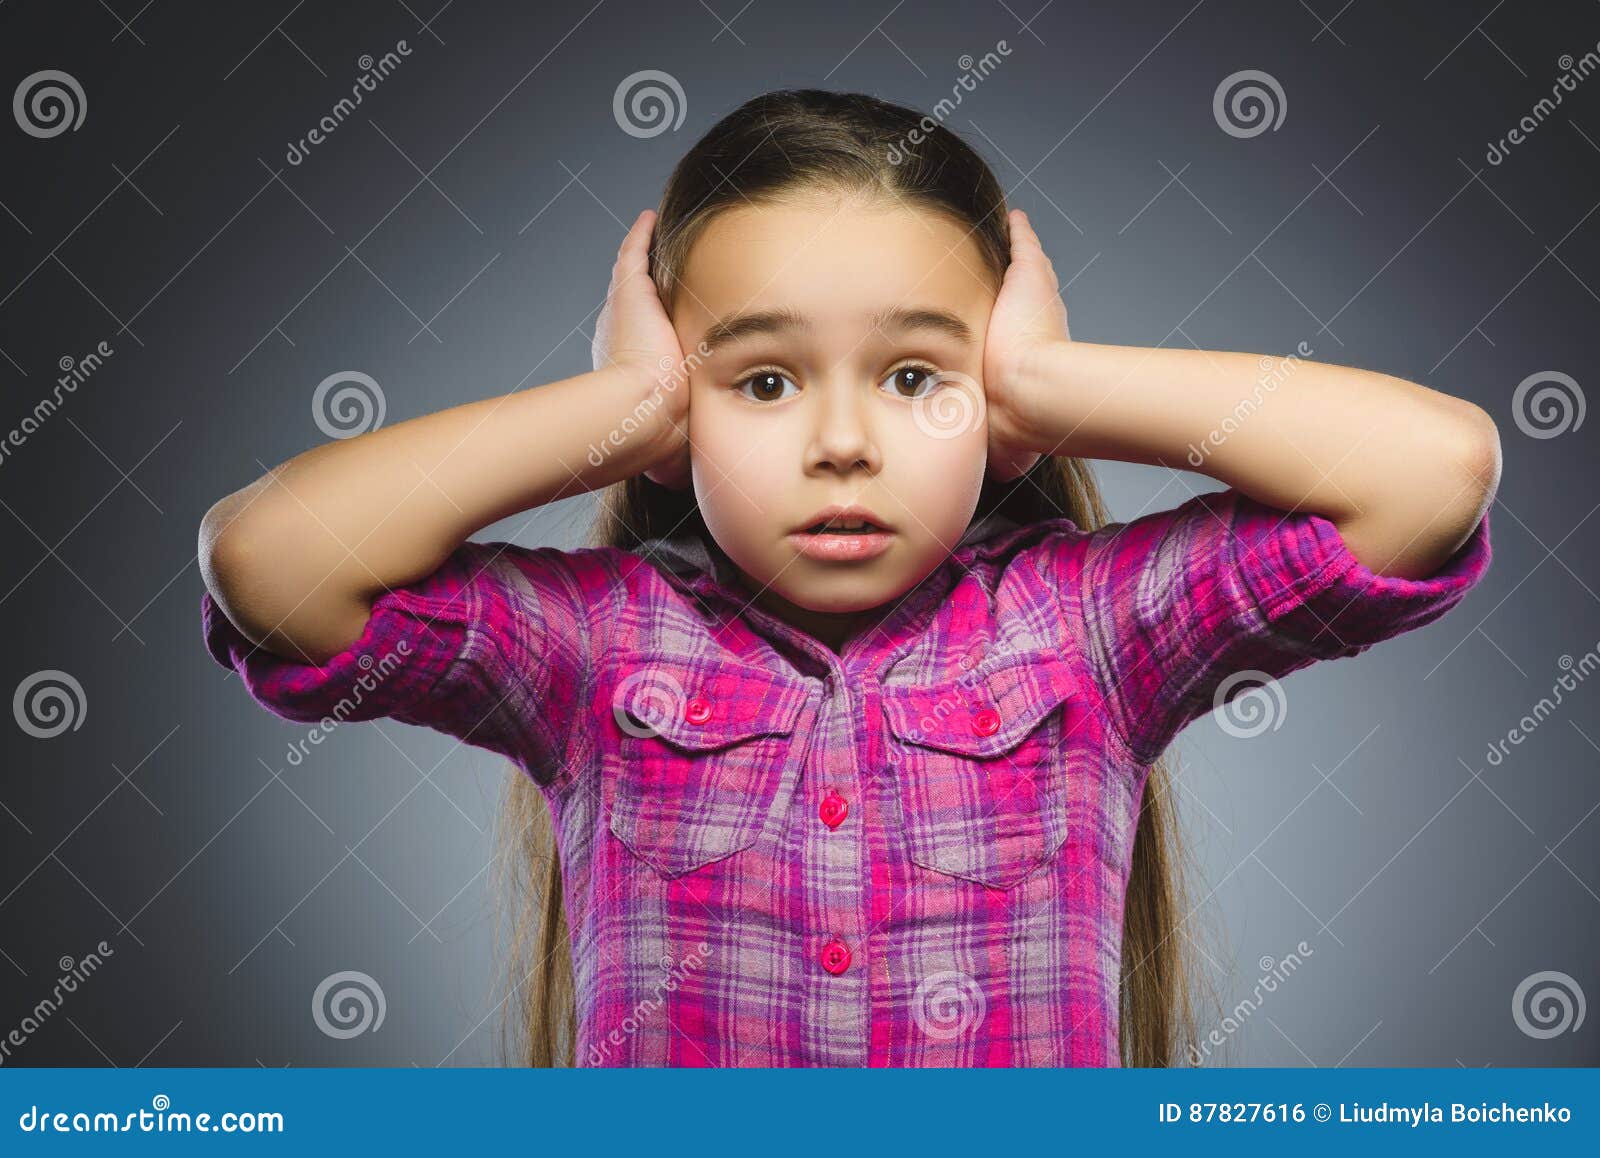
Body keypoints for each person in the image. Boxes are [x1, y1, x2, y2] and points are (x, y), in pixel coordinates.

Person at [198, 89, 1498, 1066]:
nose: (840, 441)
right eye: (761, 381)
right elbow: (272, 563)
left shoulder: (1085, 631)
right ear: (678, 410)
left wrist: (1049, 388)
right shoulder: (599, 650)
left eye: (918, 377)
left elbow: (1433, 474)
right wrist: (618, 403)